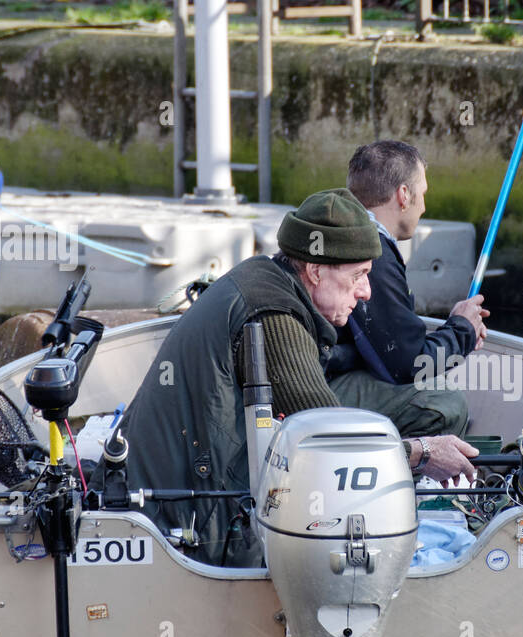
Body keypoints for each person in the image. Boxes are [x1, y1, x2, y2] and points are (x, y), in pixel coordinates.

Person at [115, 188, 477, 567]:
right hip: (195, 524)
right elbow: (332, 449)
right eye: (358, 275)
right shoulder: (274, 317)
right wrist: (423, 454)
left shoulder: (263, 277)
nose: (366, 292)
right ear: (316, 270)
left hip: (174, 491)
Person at [325, 140, 489, 437]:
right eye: (422, 194)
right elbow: (408, 366)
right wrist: (463, 330)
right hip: (320, 386)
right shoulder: (373, 252)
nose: (424, 206)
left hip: (313, 373)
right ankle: (417, 474)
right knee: (444, 403)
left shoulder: (337, 231)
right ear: (403, 195)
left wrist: (455, 326)